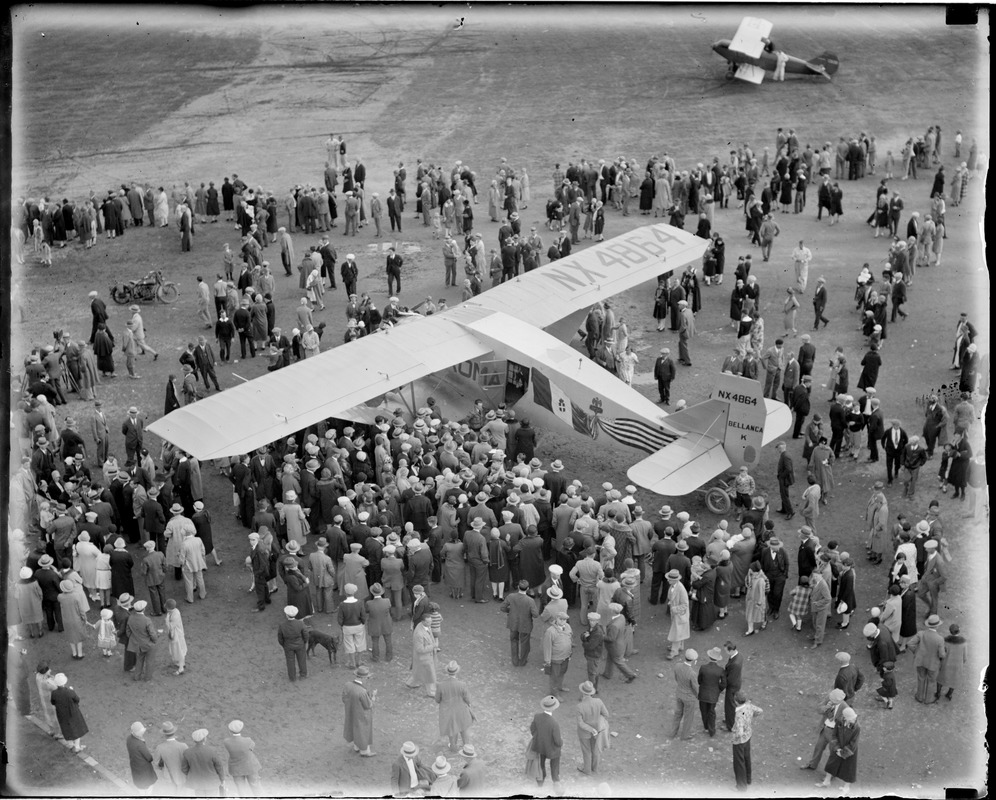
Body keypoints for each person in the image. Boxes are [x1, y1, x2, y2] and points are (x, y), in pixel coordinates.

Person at [801, 687, 849, 771]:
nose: (832, 701)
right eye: (831, 699)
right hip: (825, 729)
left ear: (840, 700)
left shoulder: (845, 708)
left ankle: (832, 772)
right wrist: (826, 708)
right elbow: (819, 710)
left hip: (834, 733)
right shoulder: (829, 699)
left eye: (834, 701)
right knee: (818, 747)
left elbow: (847, 723)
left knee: (833, 753)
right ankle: (812, 764)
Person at [817, 707, 859, 791]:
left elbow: (854, 743)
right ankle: (826, 782)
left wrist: (843, 753)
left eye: (853, 718)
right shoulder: (839, 721)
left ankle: (846, 788)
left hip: (849, 750)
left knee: (849, 769)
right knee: (831, 764)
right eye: (851, 718)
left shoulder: (857, 727)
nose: (853, 720)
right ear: (845, 718)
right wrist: (837, 749)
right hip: (838, 747)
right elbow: (834, 735)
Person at [436, 660, 475, 751]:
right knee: (464, 730)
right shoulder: (462, 685)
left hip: (448, 712)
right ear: (456, 672)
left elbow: (437, 700)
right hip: (461, 710)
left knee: (452, 730)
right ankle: (467, 748)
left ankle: (453, 747)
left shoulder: (441, 685)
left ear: (447, 672)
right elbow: (468, 699)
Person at [909, 614, 947, 704]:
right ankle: (928, 699)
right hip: (933, 664)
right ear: (937, 625)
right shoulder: (940, 639)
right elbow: (942, 655)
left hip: (920, 661)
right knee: (931, 681)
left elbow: (910, 644)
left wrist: (916, 652)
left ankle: (919, 697)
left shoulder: (921, 634)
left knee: (921, 678)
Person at [529, 695, 564, 794]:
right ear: (554, 708)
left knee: (541, 764)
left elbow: (532, 729)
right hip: (552, 749)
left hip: (540, 746)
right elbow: (557, 741)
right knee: (555, 762)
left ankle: (540, 781)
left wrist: (538, 737)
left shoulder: (537, 716)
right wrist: (562, 742)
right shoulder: (554, 723)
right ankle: (556, 781)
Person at [501, 578, 538, 667]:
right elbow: (536, 614)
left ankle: (515, 661)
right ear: (528, 588)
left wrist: (510, 611)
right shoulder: (530, 601)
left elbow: (502, 608)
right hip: (525, 624)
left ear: (518, 587)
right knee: (525, 643)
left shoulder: (511, 596)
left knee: (514, 640)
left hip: (513, 622)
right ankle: (523, 661)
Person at [575, 680, 609, 776]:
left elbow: (580, 723)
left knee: (587, 751)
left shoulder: (579, 706)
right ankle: (595, 768)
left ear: (582, 692)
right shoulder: (598, 701)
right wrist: (597, 725)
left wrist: (590, 729)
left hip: (584, 733)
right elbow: (606, 714)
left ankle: (587, 770)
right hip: (597, 731)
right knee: (596, 749)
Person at [731, 691, 763, 790]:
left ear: (736, 701)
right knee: (746, 758)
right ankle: (748, 779)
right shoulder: (748, 706)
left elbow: (739, 732)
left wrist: (735, 736)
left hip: (739, 741)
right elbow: (760, 710)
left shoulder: (739, 714)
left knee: (739, 763)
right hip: (748, 736)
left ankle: (741, 787)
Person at [181, 729, 227, 797]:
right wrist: (222, 779)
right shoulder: (212, 750)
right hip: (212, 782)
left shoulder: (187, 752)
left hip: (197, 783)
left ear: (194, 740)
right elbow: (219, 767)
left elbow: (184, 769)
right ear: (204, 739)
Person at [342, 665, 376, 757]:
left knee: (354, 728)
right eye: (367, 677)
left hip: (351, 712)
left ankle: (356, 746)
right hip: (362, 715)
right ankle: (364, 751)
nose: (368, 679)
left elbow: (344, 698)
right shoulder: (362, 691)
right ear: (363, 677)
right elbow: (368, 705)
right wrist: (373, 697)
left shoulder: (347, 685)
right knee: (363, 731)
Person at [223, 720, 263, 796]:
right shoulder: (248, 740)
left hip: (236, 769)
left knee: (241, 789)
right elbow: (251, 748)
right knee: (256, 786)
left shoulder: (226, 742)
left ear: (230, 731)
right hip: (250, 767)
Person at [669, 649, 699, 740]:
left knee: (678, 713)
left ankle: (673, 732)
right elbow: (695, 687)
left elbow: (676, 678)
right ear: (693, 660)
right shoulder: (692, 673)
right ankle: (685, 735)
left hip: (679, 693)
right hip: (689, 697)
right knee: (688, 716)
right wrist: (698, 696)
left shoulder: (677, 666)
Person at [697, 647, 727, 737]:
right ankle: (712, 730)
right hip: (713, 695)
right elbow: (724, 683)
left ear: (709, 656)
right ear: (718, 659)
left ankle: (706, 727)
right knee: (711, 712)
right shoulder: (720, 670)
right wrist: (718, 690)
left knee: (703, 711)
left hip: (703, 693)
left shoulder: (703, 668)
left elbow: (699, 680)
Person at [126, 600, 158, 681]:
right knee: (149, 661)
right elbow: (152, 634)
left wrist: (134, 639)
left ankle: (137, 677)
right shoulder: (147, 620)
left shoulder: (131, 618)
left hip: (137, 644)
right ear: (143, 609)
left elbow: (128, 632)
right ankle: (147, 678)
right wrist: (154, 640)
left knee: (139, 660)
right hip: (148, 644)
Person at [935, 623, 967, 701]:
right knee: (954, 680)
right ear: (958, 631)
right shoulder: (963, 642)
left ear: (950, 631)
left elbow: (941, 654)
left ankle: (938, 693)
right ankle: (949, 694)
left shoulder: (945, 641)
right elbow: (965, 657)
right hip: (957, 665)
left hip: (946, 664)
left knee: (940, 679)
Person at [277, 604, 308, 681]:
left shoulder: (282, 625)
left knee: (290, 661)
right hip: (300, 645)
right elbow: (306, 635)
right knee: (302, 660)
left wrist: (284, 644)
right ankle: (303, 675)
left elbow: (280, 638)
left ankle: (292, 677)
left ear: (287, 615)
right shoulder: (300, 623)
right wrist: (304, 642)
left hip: (288, 646)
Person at [127, 721, 157, 793]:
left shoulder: (129, 739)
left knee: (140, 788)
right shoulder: (139, 744)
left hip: (135, 767)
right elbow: (149, 758)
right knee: (149, 788)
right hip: (144, 770)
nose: (143, 732)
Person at [164, 599, 187, 675]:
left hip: (176, 636)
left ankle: (181, 668)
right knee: (178, 650)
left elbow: (171, 626)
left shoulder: (175, 614)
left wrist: (166, 621)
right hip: (175, 635)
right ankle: (181, 664)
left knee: (179, 651)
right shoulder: (174, 612)